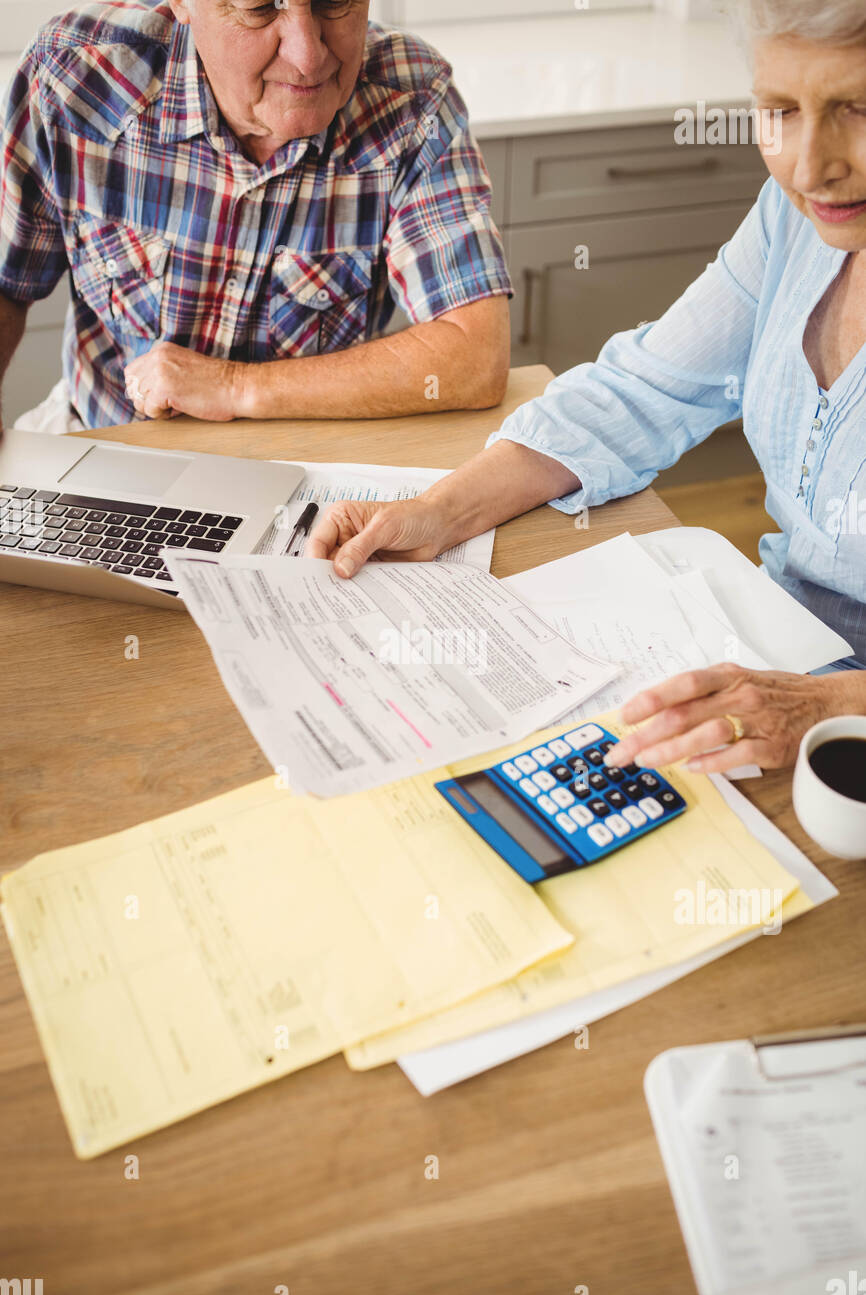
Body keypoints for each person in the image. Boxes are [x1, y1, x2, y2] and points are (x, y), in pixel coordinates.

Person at [308, 0, 866, 775]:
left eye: (858, 108)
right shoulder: (796, 216)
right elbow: (645, 389)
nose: (810, 166)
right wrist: (437, 511)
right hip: (772, 659)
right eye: (779, 111)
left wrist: (827, 708)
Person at [0, 0, 511, 433]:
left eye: (335, 0)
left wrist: (235, 388)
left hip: (309, 465)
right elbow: (7, 284)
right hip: (104, 440)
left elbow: (475, 357)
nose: (308, 57)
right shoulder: (72, 75)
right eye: (261, 7)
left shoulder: (413, 103)